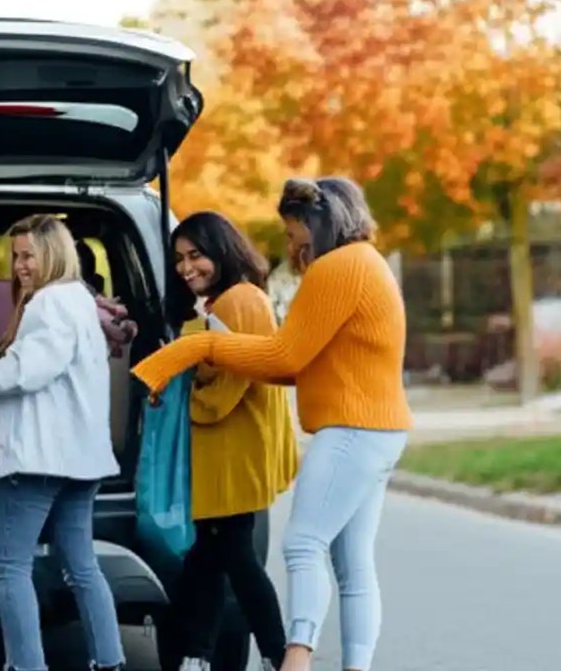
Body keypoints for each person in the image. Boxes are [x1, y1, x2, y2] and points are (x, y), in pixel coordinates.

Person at [131, 178, 412, 671]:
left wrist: (198, 346)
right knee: (352, 566)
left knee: (302, 544)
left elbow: (285, 354)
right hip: (379, 428)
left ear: (319, 222)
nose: (291, 247)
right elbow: (291, 366)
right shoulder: (366, 263)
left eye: (293, 233)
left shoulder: (338, 267)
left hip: (351, 428)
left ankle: (293, 659)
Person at [0, 214, 125, 671]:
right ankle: (110, 661)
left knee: (9, 568)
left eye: (28, 256)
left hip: (39, 460)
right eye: (16, 257)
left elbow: (26, 371)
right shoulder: (82, 301)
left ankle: (27, 666)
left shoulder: (49, 303)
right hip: (82, 462)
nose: (20, 266)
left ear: (53, 254)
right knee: (82, 568)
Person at [164, 211, 297, 671]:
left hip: (233, 453)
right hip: (233, 453)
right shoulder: (237, 300)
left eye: (195, 255)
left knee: (236, 561)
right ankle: (195, 655)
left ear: (220, 249)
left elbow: (223, 393)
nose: (186, 268)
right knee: (208, 560)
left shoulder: (237, 303)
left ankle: (279, 655)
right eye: (179, 258)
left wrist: (180, 402)